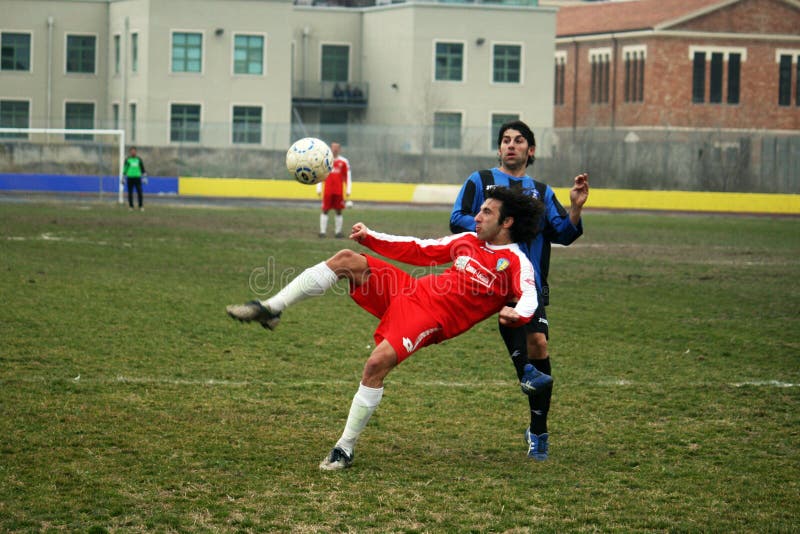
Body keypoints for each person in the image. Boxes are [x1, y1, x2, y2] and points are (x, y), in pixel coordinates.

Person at [226, 186, 552, 470]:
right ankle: (271, 308)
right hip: (409, 291)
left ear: (506, 222)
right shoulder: (467, 240)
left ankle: (344, 448)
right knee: (346, 260)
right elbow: (419, 248)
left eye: (486, 212)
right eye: (479, 210)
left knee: (375, 364)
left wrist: (517, 313)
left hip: (428, 319)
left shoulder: (515, 261)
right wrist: (371, 237)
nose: (477, 217)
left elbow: (529, 298)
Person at [449, 119, 589, 461]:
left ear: (531, 150)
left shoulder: (542, 192)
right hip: (486, 277)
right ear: (499, 149)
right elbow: (457, 219)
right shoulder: (480, 181)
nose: (511, 145)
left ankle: (538, 430)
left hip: (528, 283)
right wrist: (496, 226)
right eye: (506, 140)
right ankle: (524, 371)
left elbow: (565, 234)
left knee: (538, 343)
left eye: (519, 140)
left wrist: (575, 206)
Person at [316, 142, 351, 238]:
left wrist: (348, 190)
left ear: (339, 149)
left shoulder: (343, 162)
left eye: (337, 148)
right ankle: (322, 232)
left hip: (338, 191)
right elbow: (320, 174)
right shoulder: (325, 161)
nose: (335, 149)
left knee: (339, 211)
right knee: (325, 210)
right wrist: (318, 188)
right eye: (333, 147)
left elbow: (347, 176)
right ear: (330, 149)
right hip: (327, 191)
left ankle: (338, 232)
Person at [123, 146, 147, 211]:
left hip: (137, 178)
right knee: (130, 192)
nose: (133, 152)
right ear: (130, 152)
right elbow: (125, 169)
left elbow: (142, 169)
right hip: (130, 178)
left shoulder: (139, 159)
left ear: (136, 152)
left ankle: (141, 206)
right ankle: (131, 206)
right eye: (132, 151)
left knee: (140, 192)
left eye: (134, 151)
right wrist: (123, 178)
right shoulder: (128, 160)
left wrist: (144, 177)